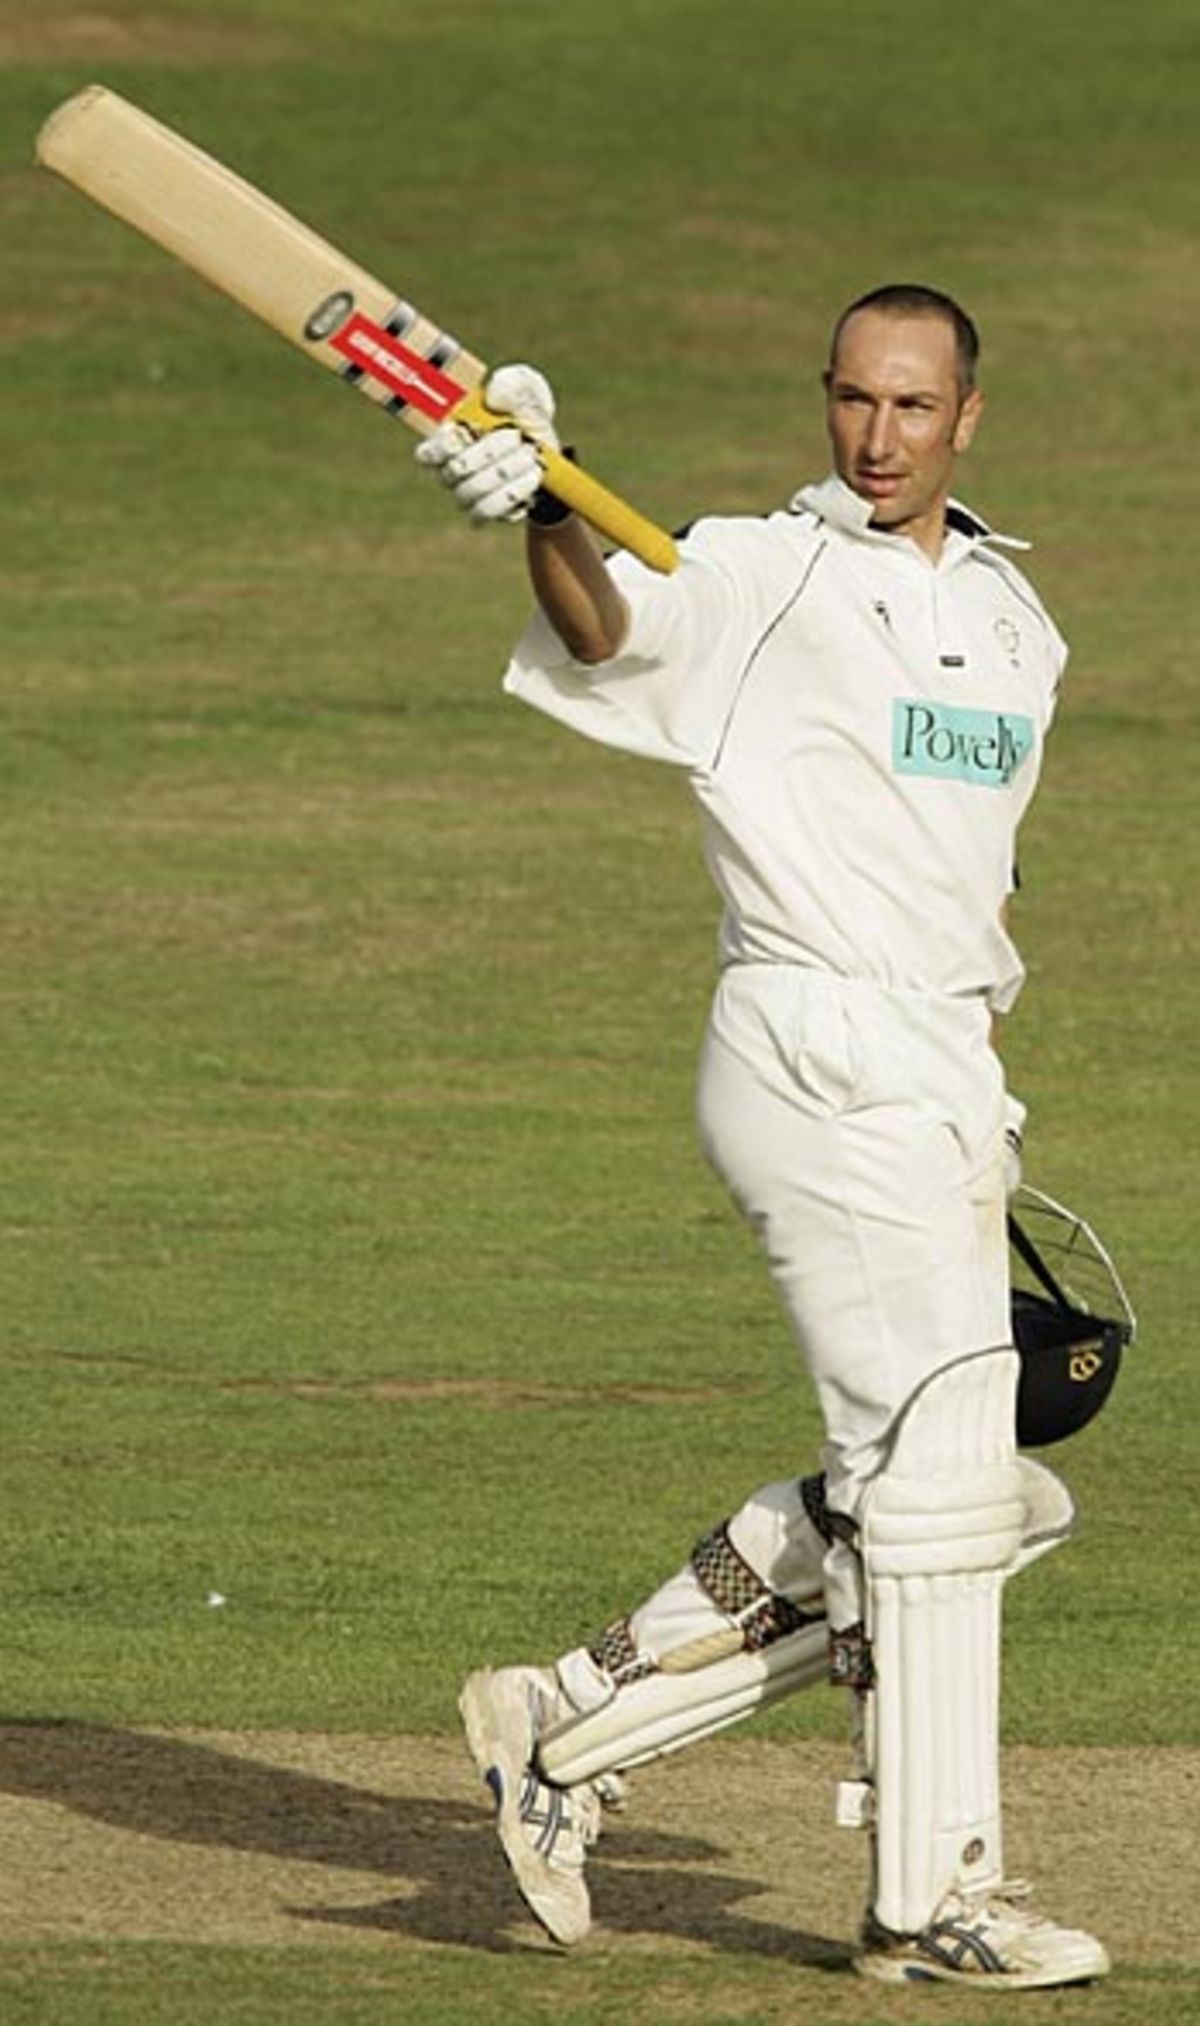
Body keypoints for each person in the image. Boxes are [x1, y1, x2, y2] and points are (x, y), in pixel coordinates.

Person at [415, 284, 1109, 1990]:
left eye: (911, 407)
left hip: (944, 1073)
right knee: (936, 1492)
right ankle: (931, 1897)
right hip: (811, 1046)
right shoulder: (757, 568)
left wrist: (978, 1077)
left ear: (969, 418)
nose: (876, 437)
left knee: (977, 1502)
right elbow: (606, 628)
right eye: (851, 401)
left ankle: (566, 1721)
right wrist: (547, 502)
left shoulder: (1020, 626)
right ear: (828, 402)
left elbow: (979, 867)